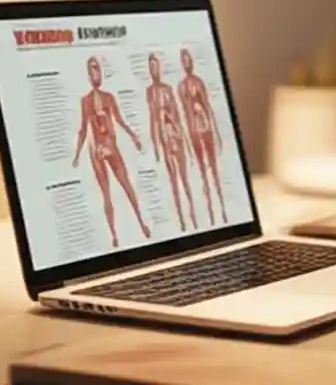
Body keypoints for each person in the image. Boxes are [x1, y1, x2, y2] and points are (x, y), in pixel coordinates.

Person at [71, 56, 151, 246]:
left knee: (126, 184)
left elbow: (120, 120)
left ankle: (141, 221)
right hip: (96, 147)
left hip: (110, 144)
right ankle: (114, 234)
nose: (96, 73)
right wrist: (77, 154)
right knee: (106, 192)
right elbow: (83, 128)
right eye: (92, 70)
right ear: (88, 74)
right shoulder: (86, 101)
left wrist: (133, 136)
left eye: (98, 69)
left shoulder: (109, 97)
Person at [146, 52, 198, 231]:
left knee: (184, 179)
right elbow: (153, 120)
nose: (154, 70)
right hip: (165, 140)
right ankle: (181, 220)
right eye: (151, 66)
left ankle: (192, 215)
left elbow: (176, 115)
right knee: (174, 181)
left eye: (156, 66)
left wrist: (187, 143)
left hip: (176, 136)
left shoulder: (168, 89)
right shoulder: (150, 91)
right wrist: (156, 147)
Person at [177, 48, 228, 225]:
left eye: (188, 59)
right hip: (193, 130)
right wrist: (188, 143)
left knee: (214, 169)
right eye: (184, 60)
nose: (187, 63)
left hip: (205, 127)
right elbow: (184, 112)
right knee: (202, 172)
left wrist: (216, 132)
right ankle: (211, 214)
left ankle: (222, 209)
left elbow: (207, 106)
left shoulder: (198, 82)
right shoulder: (181, 86)